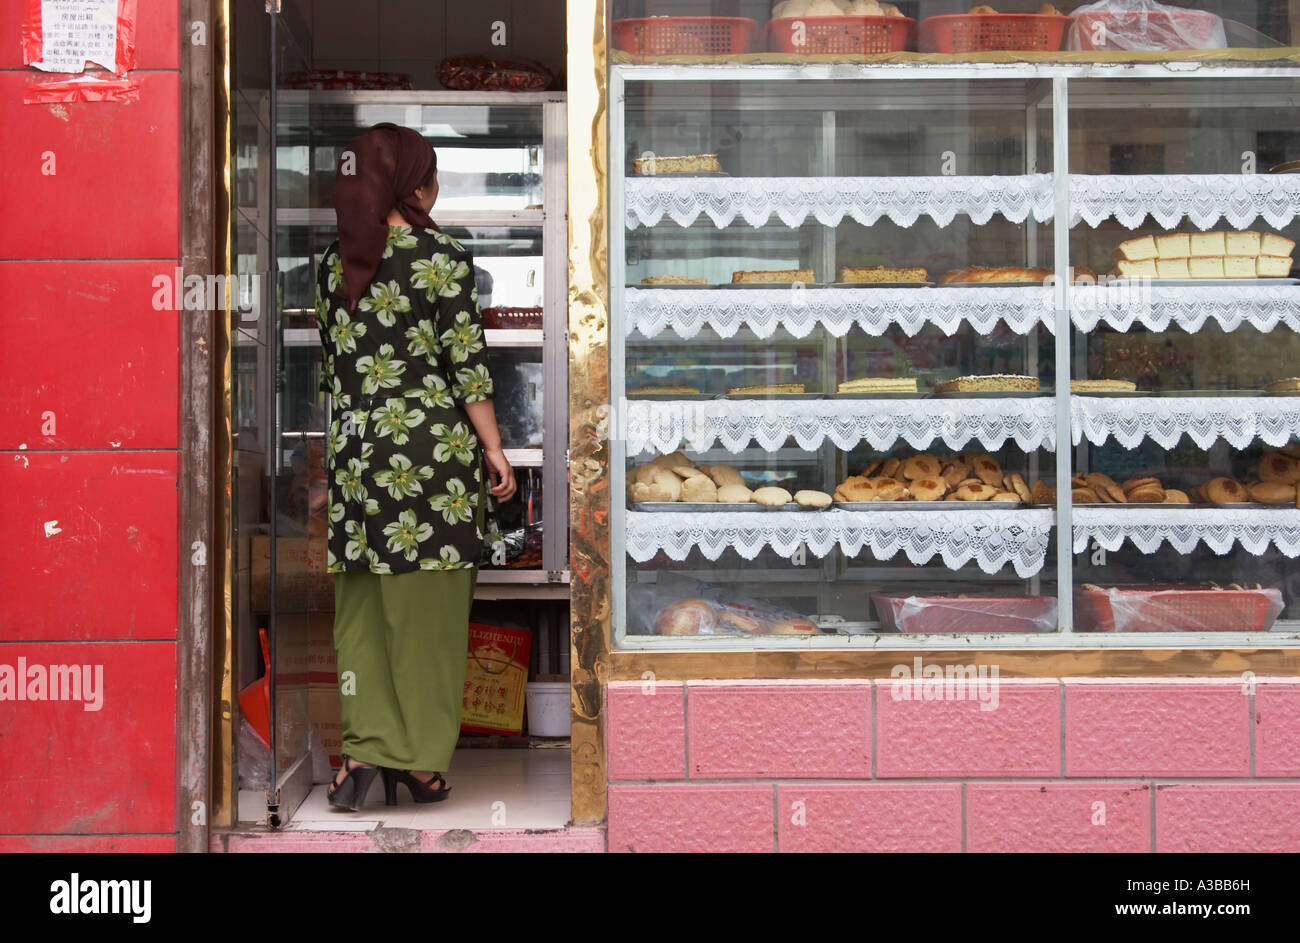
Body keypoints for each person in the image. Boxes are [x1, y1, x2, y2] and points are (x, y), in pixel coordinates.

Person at [314, 122, 516, 811]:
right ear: (412, 186)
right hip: (428, 460)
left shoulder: (331, 264)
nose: (436, 189)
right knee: (424, 612)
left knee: (363, 608)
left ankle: (366, 752)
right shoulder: (443, 258)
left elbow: (337, 363)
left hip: (353, 456)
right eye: (431, 177)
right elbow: (468, 368)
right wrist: (493, 448)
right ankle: (420, 762)